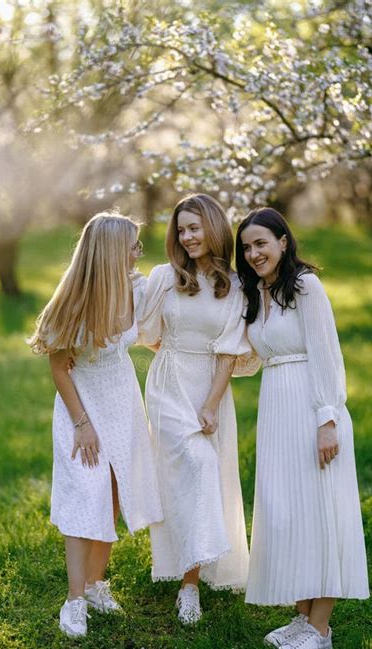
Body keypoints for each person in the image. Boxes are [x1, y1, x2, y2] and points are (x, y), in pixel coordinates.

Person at [236, 207, 369, 649]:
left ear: (283, 242)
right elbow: (250, 355)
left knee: (320, 510)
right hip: (276, 409)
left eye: (261, 244)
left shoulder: (305, 287)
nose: (254, 253)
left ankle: (321, 627)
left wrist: (327, 420)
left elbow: (326, 354)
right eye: (247, 247)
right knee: (287, 511)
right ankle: (300, 614)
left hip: (312, 408)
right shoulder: (257, 294)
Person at [28, 212, 163, 638]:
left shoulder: (134, 289)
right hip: (81, 406)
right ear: (109, 252)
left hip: (123, 400)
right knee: (86, 493)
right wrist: (81, 424)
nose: (138, 253)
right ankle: (73, 602)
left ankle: (93, 584)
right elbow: (59, 368)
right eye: (132, 247)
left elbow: (155, 333)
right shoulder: (74, 300)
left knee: (115, 491)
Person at [138, 194, 258, 624]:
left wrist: (209, 403)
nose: (187, 237)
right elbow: (148, 332)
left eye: (194, 227)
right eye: (181, 229)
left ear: (213, 228)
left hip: (210, 387)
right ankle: (188, 585)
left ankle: (193, 575)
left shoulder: (235, 285)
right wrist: (175, 353)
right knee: (191, 465)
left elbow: (229, 352)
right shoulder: (165, 277)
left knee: (203, 470)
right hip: (169, 382)